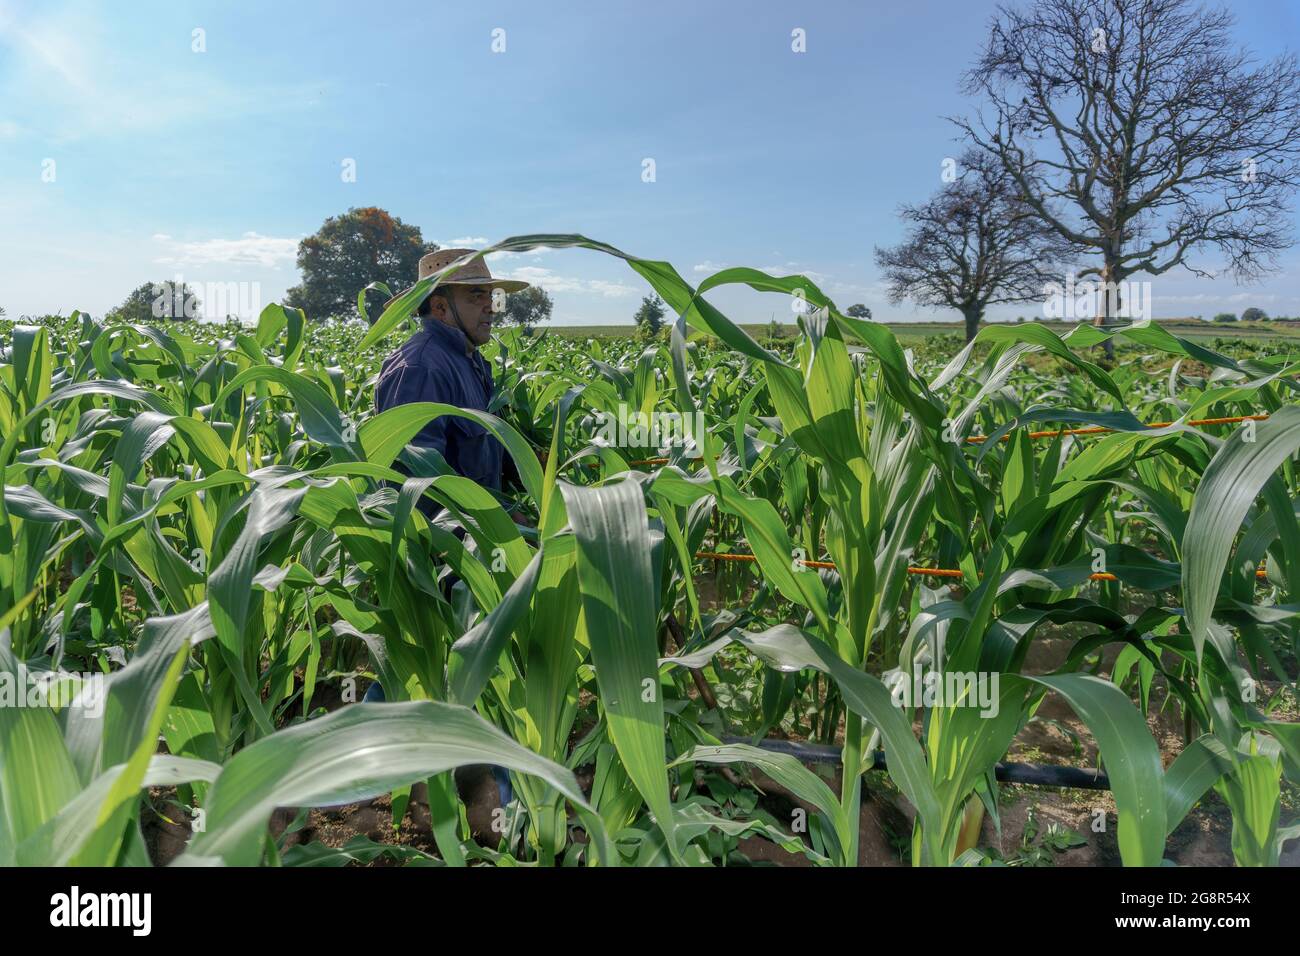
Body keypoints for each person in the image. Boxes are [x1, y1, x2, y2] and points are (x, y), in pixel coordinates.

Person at [362, 248, 530, 806]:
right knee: (451, 669)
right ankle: (496, 805)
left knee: (426, 673)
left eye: (491, 295)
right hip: (445, 555)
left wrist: (533, 485)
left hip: (475, 543)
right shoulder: (423, 367)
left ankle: (355, 774)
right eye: (476, 295)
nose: (491, 307)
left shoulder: (466, 359)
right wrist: (473, 544)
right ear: (439, 305)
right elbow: (416, 478)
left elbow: (481, 447)